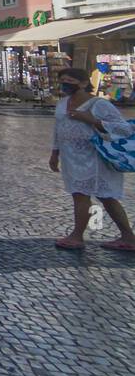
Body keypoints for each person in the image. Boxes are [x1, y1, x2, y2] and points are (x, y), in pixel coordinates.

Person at [50, 66, 135, 252]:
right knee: (81, 194)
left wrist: (91, 120)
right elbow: (58, 129)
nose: (65, 83)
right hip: (72, 157)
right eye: (62, 80)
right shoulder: (62, 103)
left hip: (96, 157)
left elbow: (124, 129)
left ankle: (80, 236)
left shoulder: (99, 104)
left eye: (70, 80)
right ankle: (125, 237)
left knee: (103, 197)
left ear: (83, 83)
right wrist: (54, 153)